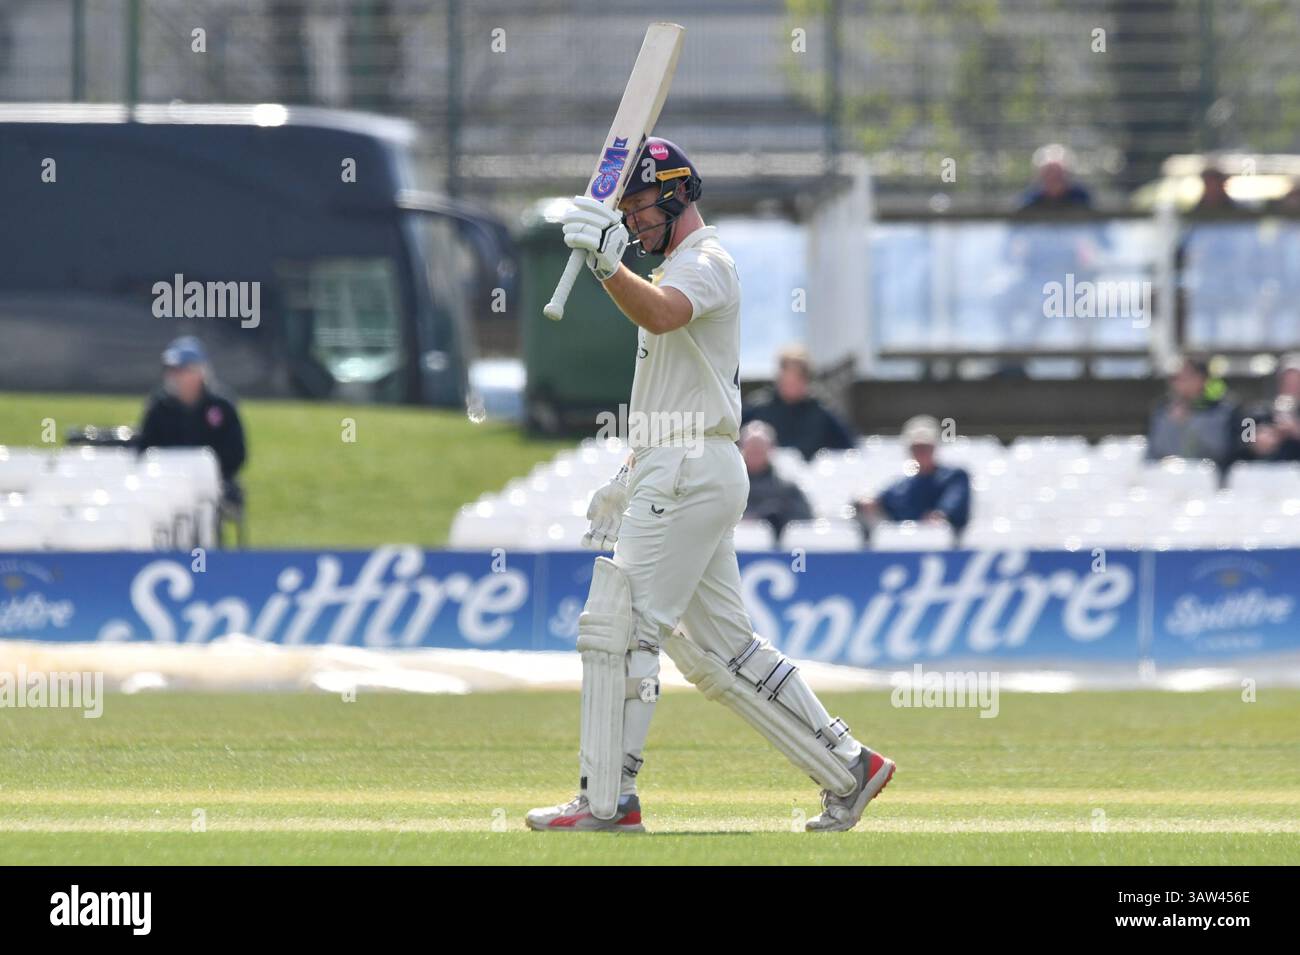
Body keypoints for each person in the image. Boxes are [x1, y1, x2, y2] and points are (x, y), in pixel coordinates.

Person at [527, 137, 894, 834]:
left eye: (638, 207)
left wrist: (605, 263)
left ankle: (607, 800)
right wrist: (630, 472)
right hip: (681, 466)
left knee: (622, 627)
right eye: (625, 210)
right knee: (721, 652)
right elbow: (672, 382)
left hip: (690, 467)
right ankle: (850, 766)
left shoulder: (707, 262)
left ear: (675, 196)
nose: (632, 222)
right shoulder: (678, 264)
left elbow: (662, 310)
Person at [136, 336, 248, 511]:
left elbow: (236, 453)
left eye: (181, 370)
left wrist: (209, 472)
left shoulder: (221, 406)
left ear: (199, 372)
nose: (174, 376)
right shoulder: (158, 407)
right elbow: (145, 447)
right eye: (171, 370)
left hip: (213, 483)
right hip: (165, 481)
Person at [855, 416, 970, 543]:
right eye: (916, 448)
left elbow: (953, 504)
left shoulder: (955, 477)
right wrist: (867, 504)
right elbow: (877, 502)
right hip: (906, 547)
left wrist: (940, 515)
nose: (921, 453)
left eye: (926, 448)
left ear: (935, 448)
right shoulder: (900, 487)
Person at [742, 344, 855, 461]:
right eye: (787, 378)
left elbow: (849, 449)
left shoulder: (820, 414)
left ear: (806, 380)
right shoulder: (758, 408)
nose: (791, 384)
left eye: (797, 378)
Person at [1146, 354, 1241, 470]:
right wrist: (1173, 424)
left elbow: (1221, 450)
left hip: (1208, 477)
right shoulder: (1163, 409)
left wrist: (1189, 421)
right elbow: (1155, 450)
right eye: (1175, 378)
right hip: (1168, 476)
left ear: (1202, 379)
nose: (1177, 383)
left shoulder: (1223, 410)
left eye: (1184, 377)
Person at [740, 420, 812, 544]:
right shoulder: (731, 486)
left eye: (759, 448)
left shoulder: (787, 488)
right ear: (741, 448)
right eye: (751, 447)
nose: (755, 452)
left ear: (771, 449)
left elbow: (803, 519)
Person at [1242, 353, 1300, 462]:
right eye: (1288, 381)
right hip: (1265, 472)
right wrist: (1257, 440)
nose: (1292, 386)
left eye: (1297, 382)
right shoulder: (1257, 412)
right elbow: (1242, 440)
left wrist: (1295, 430)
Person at [1017, 144, 1092, 212]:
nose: (1053, 177)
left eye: (1058, 174)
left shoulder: (1081, 198)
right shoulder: (1030, 199)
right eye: (1049, 173)